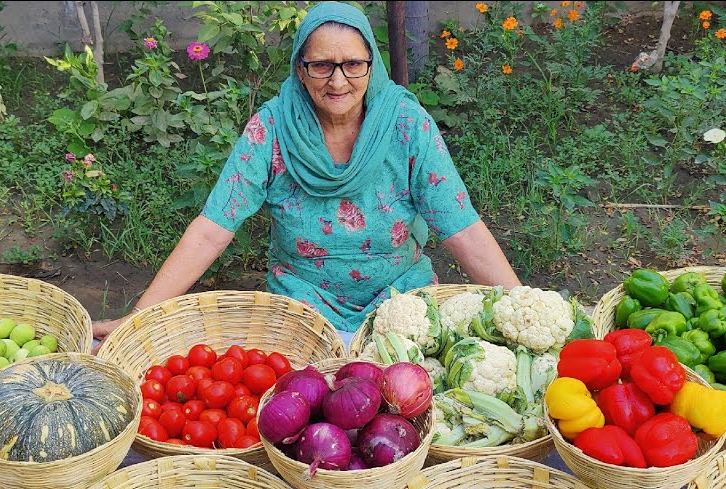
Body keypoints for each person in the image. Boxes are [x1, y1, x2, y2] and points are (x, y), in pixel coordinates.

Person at [92, 1, 522, 347]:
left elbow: (463, 229)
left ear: (372, 66)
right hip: (301, 311)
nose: (338, 81)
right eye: (322, 65)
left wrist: (524, 309)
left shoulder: (407, 125)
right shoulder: (273, 128)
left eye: (353, 64)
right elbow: (211, 229)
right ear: (300, 68)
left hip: (400, 304)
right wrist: (137, 317)